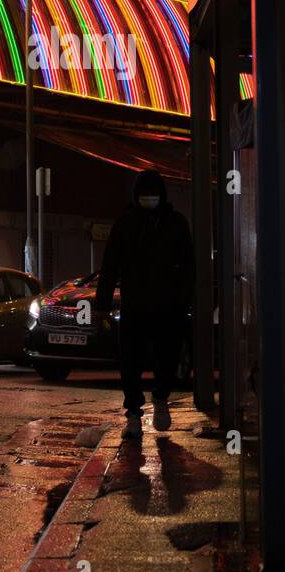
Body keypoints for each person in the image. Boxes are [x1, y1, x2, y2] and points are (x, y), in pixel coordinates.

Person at [94, 169, 194, 440]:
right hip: (137, 306)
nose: (149, 198)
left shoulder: (174, 224)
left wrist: (185, 299)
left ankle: (159, 399)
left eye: (152, 194)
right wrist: (101, 304)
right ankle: (135, 413)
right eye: (145, 194)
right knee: (131, 362)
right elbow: (110, 267)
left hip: (166, 307)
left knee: (165, 358)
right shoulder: (126, 225)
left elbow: (188, 266)